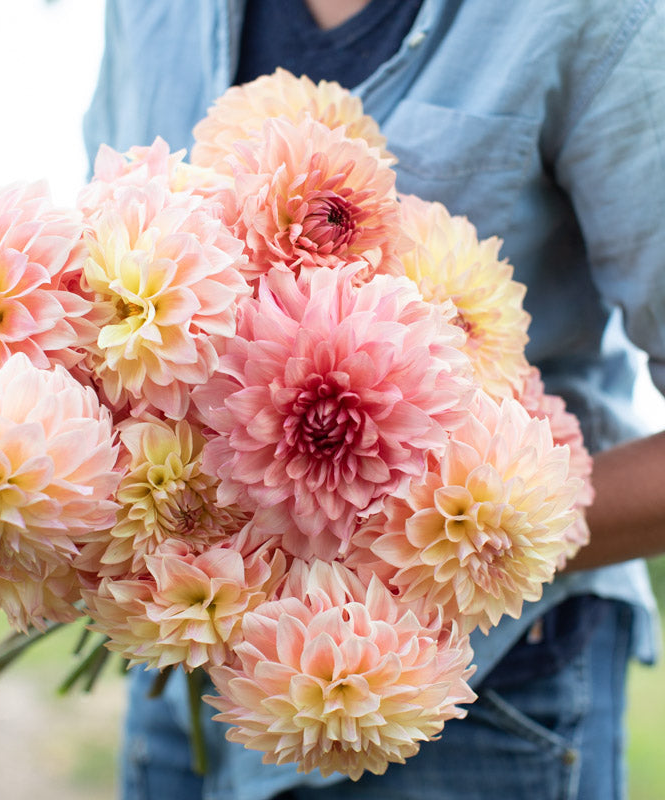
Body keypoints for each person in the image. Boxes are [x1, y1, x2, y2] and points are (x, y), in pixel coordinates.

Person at [82, 1, 665, 798]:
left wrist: (481, 539)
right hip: (191, 670)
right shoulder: (154, 14)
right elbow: (96, 261)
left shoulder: (596, 17)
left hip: (480, 698)